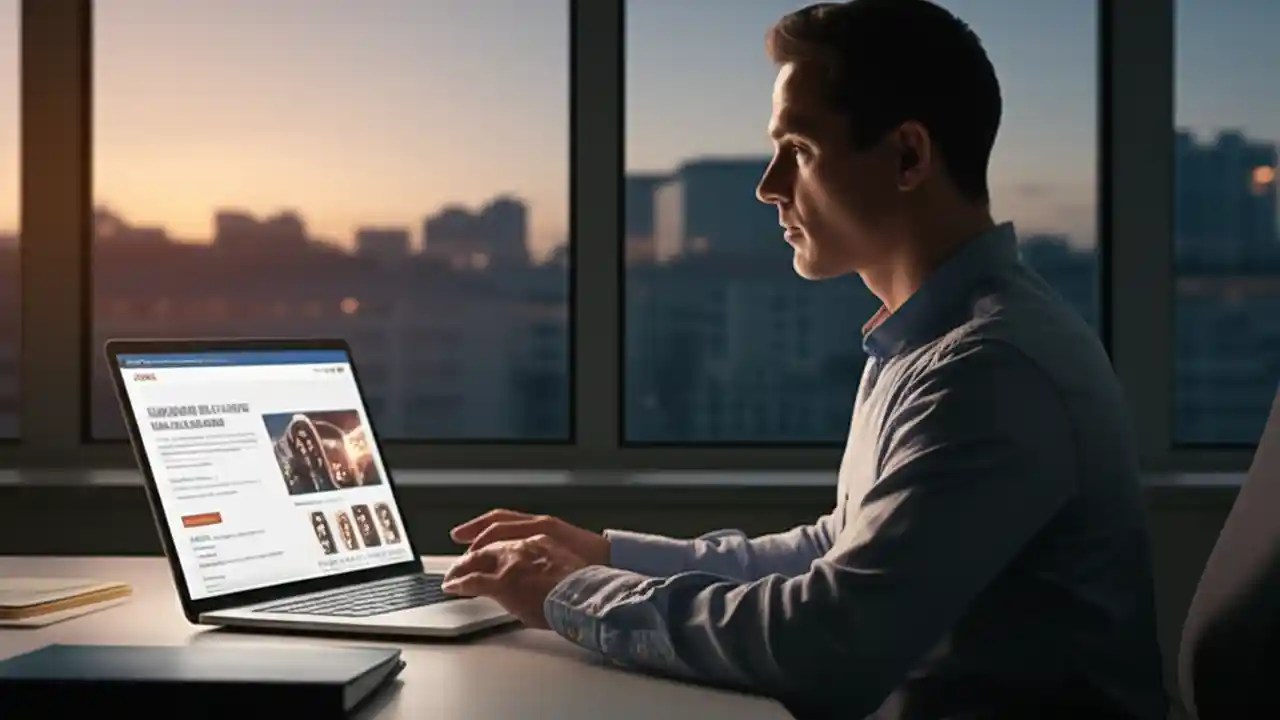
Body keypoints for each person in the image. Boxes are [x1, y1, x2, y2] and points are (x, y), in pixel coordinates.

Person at [441, 1, 1168, 717]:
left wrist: (566, 592)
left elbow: (826, 641)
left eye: (800, 150)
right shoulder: (925, 342)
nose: (770, 186)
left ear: (908, 156)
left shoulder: (990, 369)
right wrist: (605, 554)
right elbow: (836, 553)